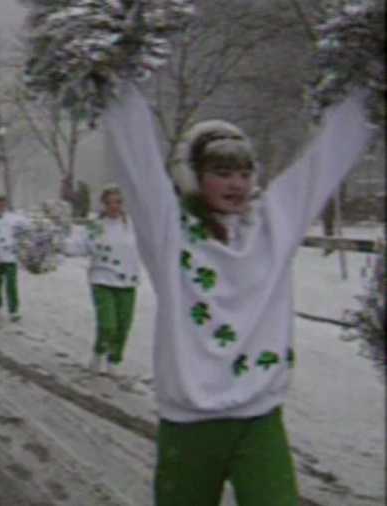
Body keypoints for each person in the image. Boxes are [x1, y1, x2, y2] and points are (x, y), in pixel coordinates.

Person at [103, 81, 374, 506]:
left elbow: (325, 160)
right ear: (194, 176)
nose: (237, 183)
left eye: (245, 172)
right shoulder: (169, 235)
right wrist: (112, 77)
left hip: (258, 418)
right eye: (222, 172)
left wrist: (368, 87)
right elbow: (136, 159)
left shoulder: (273, 227)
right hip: (189, 425)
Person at [64, 184, 140, 375]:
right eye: (110, 203)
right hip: (102, 279)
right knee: (107, 325)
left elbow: (152, 246)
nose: (114, 206)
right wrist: (60, 244)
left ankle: (114, 359)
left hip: (127, 281)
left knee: (123, 325)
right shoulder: (96, 227)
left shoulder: (133, 225)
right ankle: (99, 352)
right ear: (104, 204)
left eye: (118, 202)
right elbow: (80, 246)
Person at [0, 195, 29, 322]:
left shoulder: (15, 219)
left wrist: (20, 245)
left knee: (11, 284)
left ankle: (13, 311)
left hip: (9, 257)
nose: (1, 206)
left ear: (6, 204)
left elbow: (26, 229)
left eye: (3, 203)